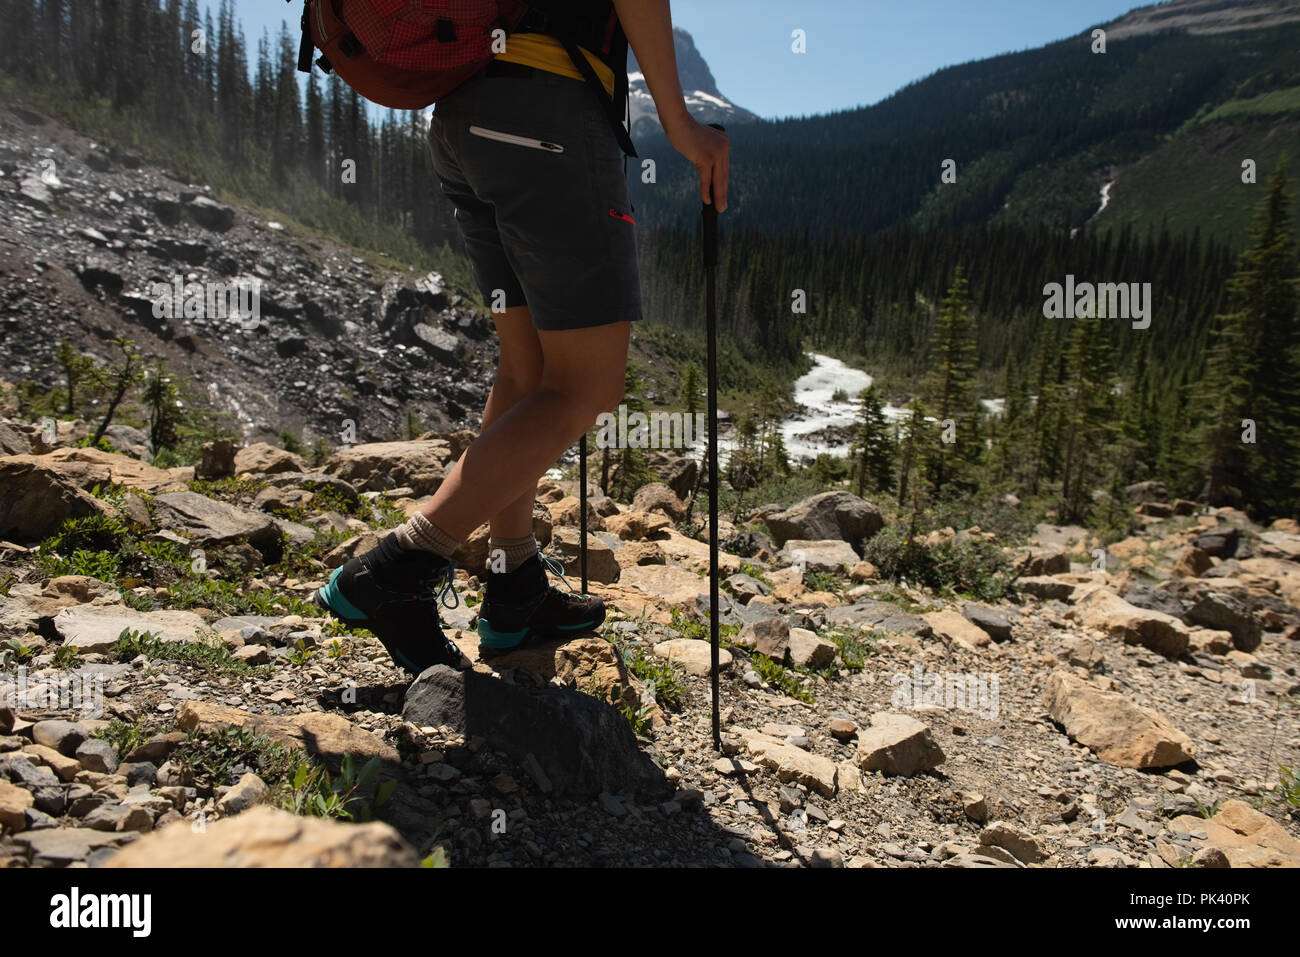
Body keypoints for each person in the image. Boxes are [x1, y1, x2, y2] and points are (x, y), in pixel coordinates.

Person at [315, 0, 730, 675]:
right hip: (548, 114)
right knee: (587, 385)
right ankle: (395, 568)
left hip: (467, 119)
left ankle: (513, 588)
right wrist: (679, 122)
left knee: (528, 369)